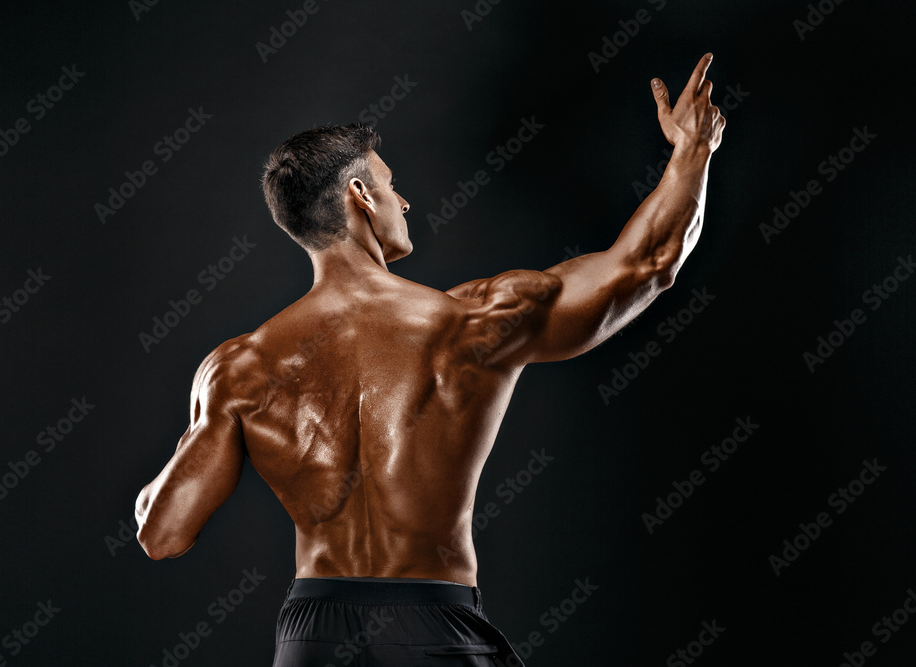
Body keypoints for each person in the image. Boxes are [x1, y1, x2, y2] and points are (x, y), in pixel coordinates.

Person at [135, 53, 725, 665]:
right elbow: (648, 265)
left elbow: (162, 534)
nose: (404, 202)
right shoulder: (470, 323)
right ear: (361, 196)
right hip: (430, 621)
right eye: (392, 185)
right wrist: (691, 153)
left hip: (311, 637)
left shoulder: (240, 368)